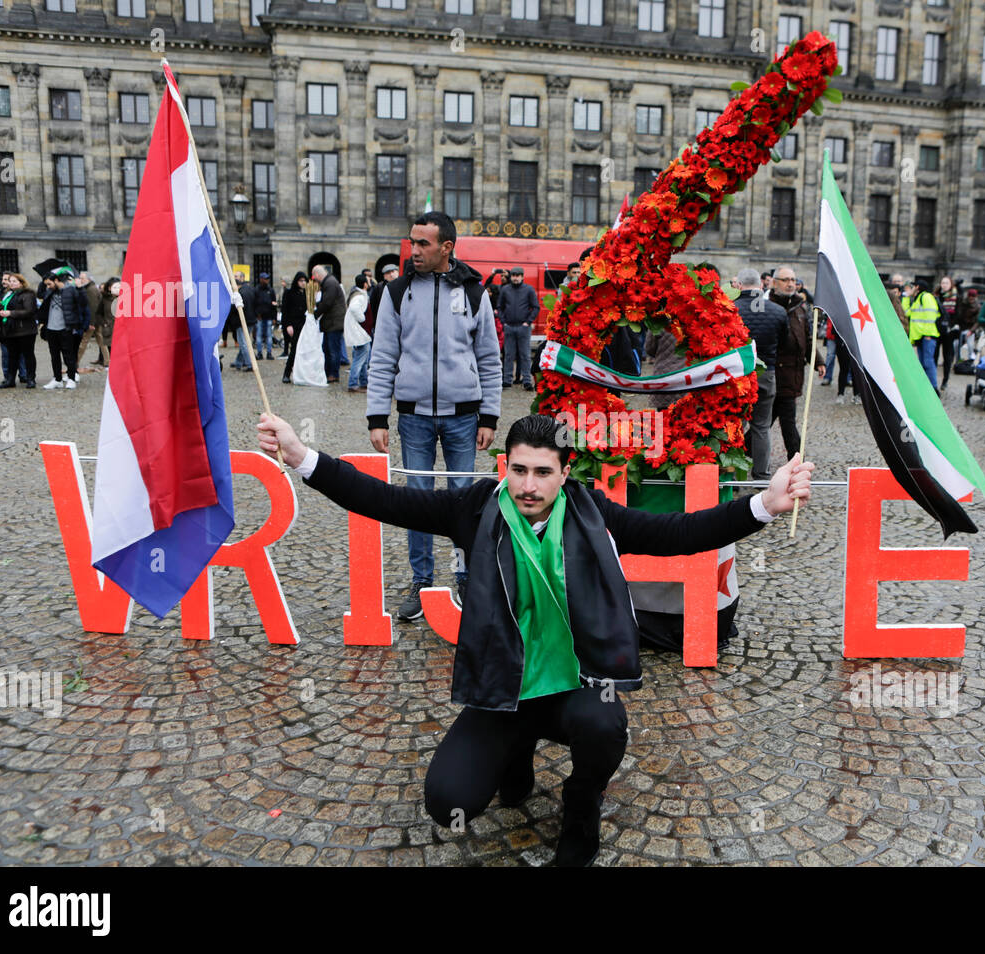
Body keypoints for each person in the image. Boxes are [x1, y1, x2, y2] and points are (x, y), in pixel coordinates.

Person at [256, 410, 815, 866]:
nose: (528, 485)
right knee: (448, 802)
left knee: (605, 725)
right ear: (505, 466)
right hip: (503, 689)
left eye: (542, 473)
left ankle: (580, 806)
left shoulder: (591, 512)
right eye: (519, 470)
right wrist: (300, 455)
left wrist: (765, 503)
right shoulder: (475, 507)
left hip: (574, 685)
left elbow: (678, 534)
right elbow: (383, 500)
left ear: (564, 473)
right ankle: (515, 752)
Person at [366, 210, 502, 621]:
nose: (414, 250)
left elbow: (490, 360)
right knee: (417, 503)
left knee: (464, 502)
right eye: (412, 241)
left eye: (423, 243)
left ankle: (465, 578)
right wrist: (377, 416)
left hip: (464, 418)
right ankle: (421, 581)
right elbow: (383, 356)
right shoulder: (396, 292)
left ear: (447, 247)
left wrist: (489, 417)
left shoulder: (476, 294)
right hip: (414, 419)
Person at [733, 267, 787, 480]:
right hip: (766, 372)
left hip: (737, 375)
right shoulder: (778, 311)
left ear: (738, 285)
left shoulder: (730, 309)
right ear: (762, 284)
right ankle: (761, 475)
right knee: (762, 426)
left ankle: (734, 477)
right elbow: (784, 342)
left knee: (736, 425)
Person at [768, 266, 825, 456]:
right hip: (775, 375)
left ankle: (745, 453)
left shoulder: (800, 307)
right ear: (775, 283)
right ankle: (796, 461)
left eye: (792, 279)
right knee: (784, 422)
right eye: (785, 280)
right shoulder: (768, 305)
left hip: (793, 375)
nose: (790, 284)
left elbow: (807, 338)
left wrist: (818, 361)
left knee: (773, 421)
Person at [38, 268, 90, 390]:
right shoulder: (50, 292)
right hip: (51, 328)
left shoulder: (71, 290)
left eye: (50, 284)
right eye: (47, 285)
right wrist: (43, 281)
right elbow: (40, 294)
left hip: (66, 328)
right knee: (54, 355)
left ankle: (71, 378)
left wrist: (80, 288)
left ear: (56, 280)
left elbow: (83, 303)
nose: (48, 286)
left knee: (69, 355)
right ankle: (57, 379)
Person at [498, 266, 538, 390]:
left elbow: (535, 307)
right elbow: (500, 306)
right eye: (514, 275)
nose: (515, 278)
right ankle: (507, 380)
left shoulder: (529, 290)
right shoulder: (505, 290)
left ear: (522, 276)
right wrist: (503, 321)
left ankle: (527, 381)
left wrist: (528, 321)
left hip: (523, 327)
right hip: (509, 326)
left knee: (525, 355)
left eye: (518, 275)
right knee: (509, 355)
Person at [0, 273, 37, 388]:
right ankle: (10, 379)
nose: (11, 283)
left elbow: (29, 311)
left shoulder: (28, 294)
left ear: (21, 282)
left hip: (25, 330)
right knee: (12, 356)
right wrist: (0, 311)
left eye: (14, 281)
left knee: (28, 355)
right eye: (10, 281)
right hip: (10, 330)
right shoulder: (8, 294)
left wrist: (10, 313)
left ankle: (30, 379)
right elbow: (3, 307)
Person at [312, 264, 345, 383]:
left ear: (317, 275)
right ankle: (329, 372)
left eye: (314, 277)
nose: (314, 280)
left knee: (332, 349)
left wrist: (315, 314)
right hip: (331, 322)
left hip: (333, 323)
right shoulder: (329, 282)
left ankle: (333, 374)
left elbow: (327, 303)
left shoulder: (330, 283)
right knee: (327, 348)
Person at [906, 279, 941, 391]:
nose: (911, 289)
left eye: (912, 287)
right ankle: (926, 388)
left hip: (927, 336)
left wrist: (927, 334)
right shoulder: (917, 300)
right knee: (923, 363)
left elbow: (931, 316)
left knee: (928, 362)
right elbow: (906, 312)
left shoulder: (926, 297)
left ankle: (934, 388)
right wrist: (906, 297)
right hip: (920, 336)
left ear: (917, 287)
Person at [279, 272, 308, 384]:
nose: (303, 283)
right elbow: (285, 310)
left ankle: (302, 373)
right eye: (301, 281)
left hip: (304, 325)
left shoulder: (306, 293)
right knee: (294, 350)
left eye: (304, 281)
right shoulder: (289, 293)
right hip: (294, 325)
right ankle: (287, 373)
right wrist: (287, 325)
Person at [344, 273, 371, 392]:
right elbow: (355, 308)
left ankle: (364, 382)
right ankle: (353, 383)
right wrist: (363, 318)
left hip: (357, 330)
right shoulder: (360, 296)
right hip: (357, 330)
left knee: (363, 358)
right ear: (365, 284)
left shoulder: (358, 293)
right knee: (360, 358)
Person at [72, 272, 104, 368]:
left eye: (82, 278)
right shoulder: (90, 288)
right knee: (101, 341)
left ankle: (75, 362)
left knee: (84, 341)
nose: (81, 280)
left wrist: (91, 323)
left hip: (92, 321)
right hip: (96, 320)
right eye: (80, 278)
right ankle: (107, 361)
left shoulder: (90, 290)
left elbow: (93, 308)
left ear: (89, 279)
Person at [935, 276, 959, 390]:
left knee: (947, 357)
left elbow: (958, 313)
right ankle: (933, 379)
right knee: (934, 356)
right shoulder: (937, 296)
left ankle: (945, 380)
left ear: (951, 284)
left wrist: (951, 325)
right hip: (937, 329)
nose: (944, 285)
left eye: (946, 283)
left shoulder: (955, 297)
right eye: (942, 282)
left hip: (949, 331)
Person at [253, 272, 278, 360]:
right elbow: (254, 304)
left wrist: (274, 318)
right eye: (265, 278)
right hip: (260, 317)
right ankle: (259, 353)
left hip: (268, 317)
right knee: (259, 336)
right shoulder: (256, 290)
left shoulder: (271, 291)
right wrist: (256, 315)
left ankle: (269, 353)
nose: (267, 280)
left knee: (269, 336)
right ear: (261, 279)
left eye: (267, 278)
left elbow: (274, 305)